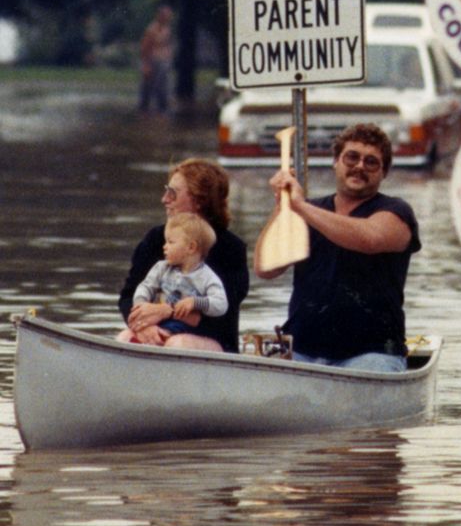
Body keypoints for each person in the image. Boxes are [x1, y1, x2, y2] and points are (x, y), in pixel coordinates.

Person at [258, 123, 420, 371]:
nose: (359, 166)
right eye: (351, 157)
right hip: (301, 348)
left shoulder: (396, 212)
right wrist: (284, 205)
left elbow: (370, 238)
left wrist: (300, 206)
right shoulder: (308, 210)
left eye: (371, 162)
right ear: (336, 162)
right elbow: (265, 268)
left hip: (372, 353)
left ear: (384, 172)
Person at [117, 158, 249, 351]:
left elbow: (221, 314)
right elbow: (128, 296)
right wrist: (143, 326)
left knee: (177, 344)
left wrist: (167, 311)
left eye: (173, 193)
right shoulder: (155, 239)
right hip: (156, 328)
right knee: (125, 337)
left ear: (199, 200)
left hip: (212, 340)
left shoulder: (231, 248)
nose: (164, 199)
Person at [117, 214, 227, 348]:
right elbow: (145, 287)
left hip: (186, 328)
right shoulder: (161, 268)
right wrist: (141, 307)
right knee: (125, 336)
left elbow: (221, 304)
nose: (165, 247)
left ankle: (159, 342)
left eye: (170, 242)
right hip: (157, 321)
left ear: (191, 247)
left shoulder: (207, 277)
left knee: (175, 338)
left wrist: (195, 302)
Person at [138, 3, 174, 113]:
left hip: (163, 62)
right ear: (160, 16)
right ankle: (144, 112)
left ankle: (162, 111)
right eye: (166, 15)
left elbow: (167, 44)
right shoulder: (152, 29)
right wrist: (146, 65)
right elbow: (144, 47)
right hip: (152, 61)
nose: (169, 18)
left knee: (162, 88)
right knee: (148, 88)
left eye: (169, 15)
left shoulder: (167, 29)